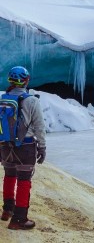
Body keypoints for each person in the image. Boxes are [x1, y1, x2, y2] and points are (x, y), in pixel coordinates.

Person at [0, 66, 46, 230]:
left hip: (5, 146)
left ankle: (7, 211)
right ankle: (19, 219)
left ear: (10, 81)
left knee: (9, 176)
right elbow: (39, 127)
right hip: (25, 146)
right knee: (24, 180)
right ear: (26, 80)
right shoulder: (32, 100)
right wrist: (42, 147)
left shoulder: (2, 99)